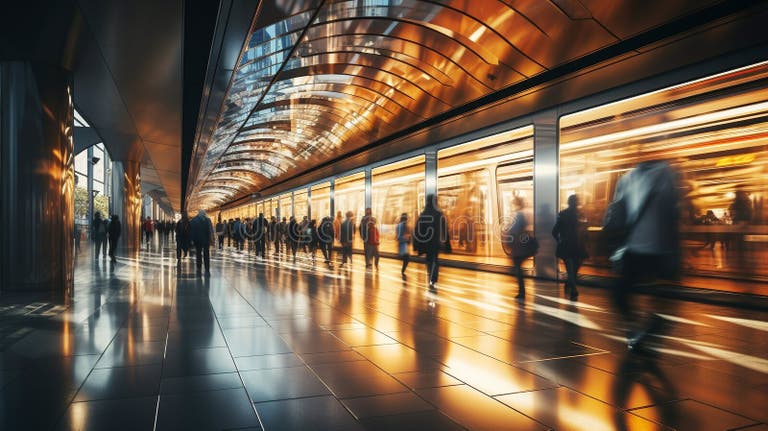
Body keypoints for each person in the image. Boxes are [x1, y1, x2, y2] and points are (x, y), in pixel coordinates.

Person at [606, 160, 680, 351]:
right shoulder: (628, 178)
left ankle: (644, 327)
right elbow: (617, 211)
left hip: (655, 249)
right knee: (620, 295)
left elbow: (672, 213)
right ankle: (644, 327)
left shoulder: (665, 174)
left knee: (624, 294)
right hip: (637, 247)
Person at [552, 194, 588, 301]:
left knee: (570, 269)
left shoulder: (562, 214)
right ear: (577, 203)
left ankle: (571, 285)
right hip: (578, 246)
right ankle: (573, 289)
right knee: (574, 268)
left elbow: (554, 231)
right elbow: (585, 231)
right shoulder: (581, 214)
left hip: (566, 246)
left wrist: (560, 240)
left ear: (568, 202)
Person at [414, 194, 447, 292]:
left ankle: (431, 277)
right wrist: (445, 242)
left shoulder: (423, 214)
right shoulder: (439, 213)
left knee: (429, 261)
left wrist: (417, 244)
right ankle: (433, 279)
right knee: (435, 260)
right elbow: (444, 229)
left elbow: (417, 230)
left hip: (426, 243)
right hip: (435, 243)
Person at [507, 196, 533, 300]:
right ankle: (521, 290)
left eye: (513, 204)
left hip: (520, 244)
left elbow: (514, 230)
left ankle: (521, 292)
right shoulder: (528, 212)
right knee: (518, 266)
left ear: (516, 204)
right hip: (526, 242)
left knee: (517, 267)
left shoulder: (519, 215)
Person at [190, 210, 214, 276]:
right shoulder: (206, 220)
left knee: (200, 253)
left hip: (200, 240)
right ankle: (204, 267)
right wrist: (212, 239)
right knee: (203, 253)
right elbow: (211, 230)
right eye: (203, 214)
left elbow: (191, 231)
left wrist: (191, 240)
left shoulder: (194, 220)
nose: (204, 215)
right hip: (202, 240)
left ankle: (201, 267)